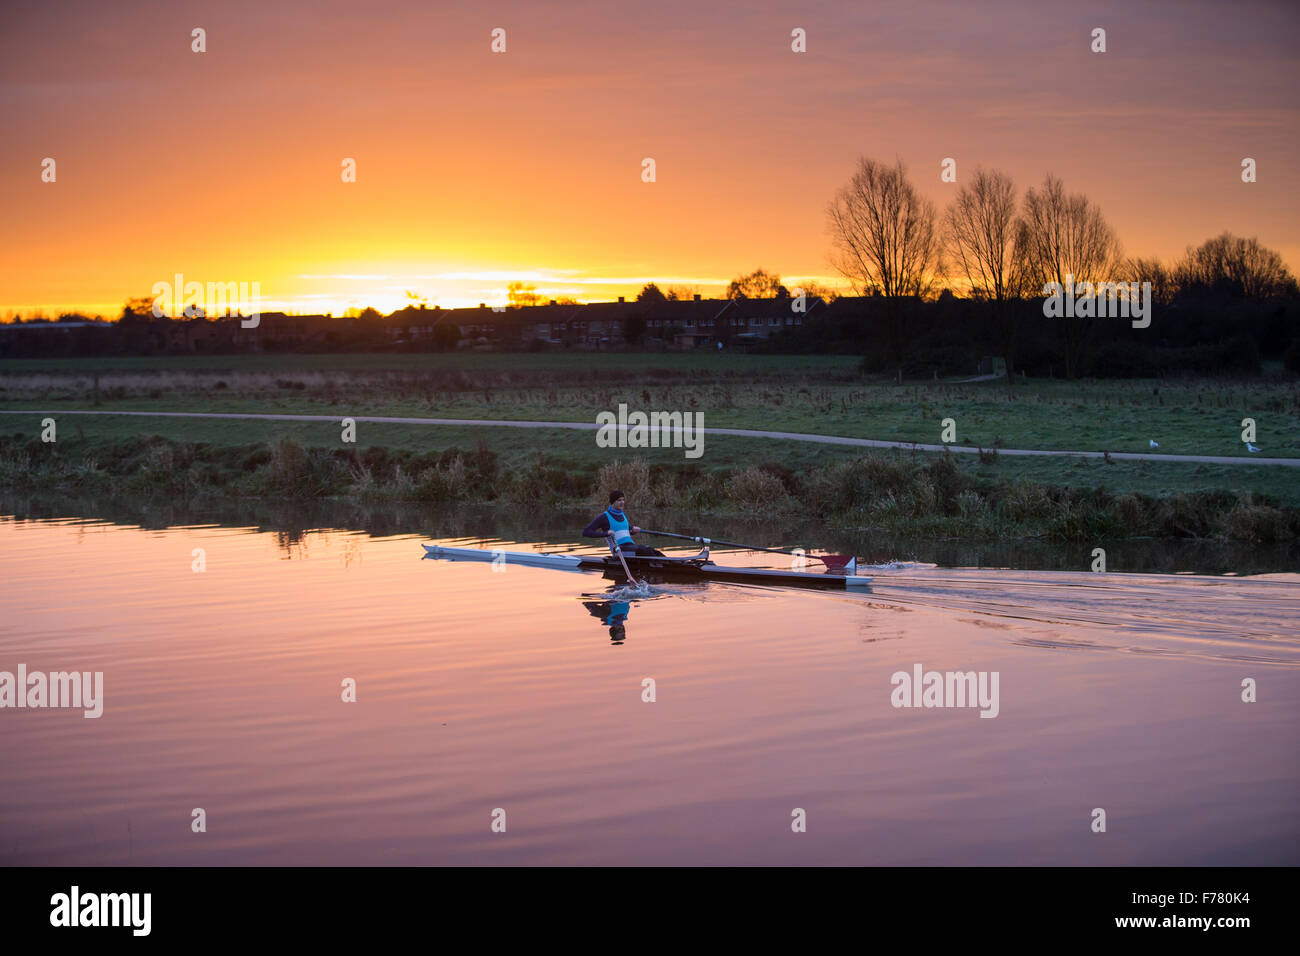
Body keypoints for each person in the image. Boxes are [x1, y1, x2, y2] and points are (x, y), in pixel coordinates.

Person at [582, 490, 664, 556]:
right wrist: (606, 533)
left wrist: (633, 530)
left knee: (652, 550)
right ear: (613, 502)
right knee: (644, 550)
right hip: (618, 550)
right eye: (619, 500)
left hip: (630, 546)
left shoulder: (622, 515)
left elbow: (626, 530)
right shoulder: (604, 517)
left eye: (623, 500)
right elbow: (586, 532)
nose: (622, 502)